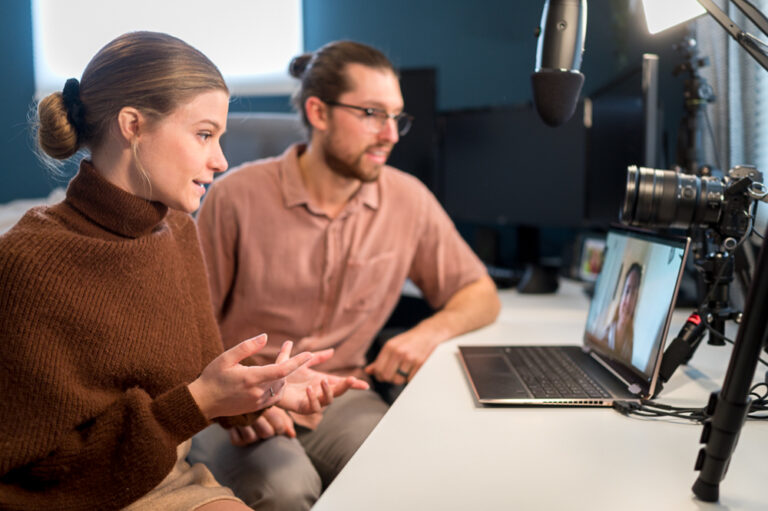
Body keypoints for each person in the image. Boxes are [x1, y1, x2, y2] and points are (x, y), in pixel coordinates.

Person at [0, 32, 367, 511]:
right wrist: (201, 403)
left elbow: (191, 377)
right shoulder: (28, 264)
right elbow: (35, 473)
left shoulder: (176, 230)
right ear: (133, 125)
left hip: (164, 472)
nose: (221, 160)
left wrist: (263, 389)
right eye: (204, 134)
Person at [190, 40, 501, 509]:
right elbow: (187, 327)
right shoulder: (236, 197)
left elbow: (480, 292)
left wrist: (426, 333)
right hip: (244, 398)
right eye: (373, 114)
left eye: (397, 117)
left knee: (403, 477)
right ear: (319, 112)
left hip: (341, 396)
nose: (391, 135)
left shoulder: (407, 200)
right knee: (285, 490)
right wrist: (237, 399)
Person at [601, 262, 643, 362]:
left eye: (634, 294)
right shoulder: (606, 330)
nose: (628, 301)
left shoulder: (635, 345)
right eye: (627, 291)